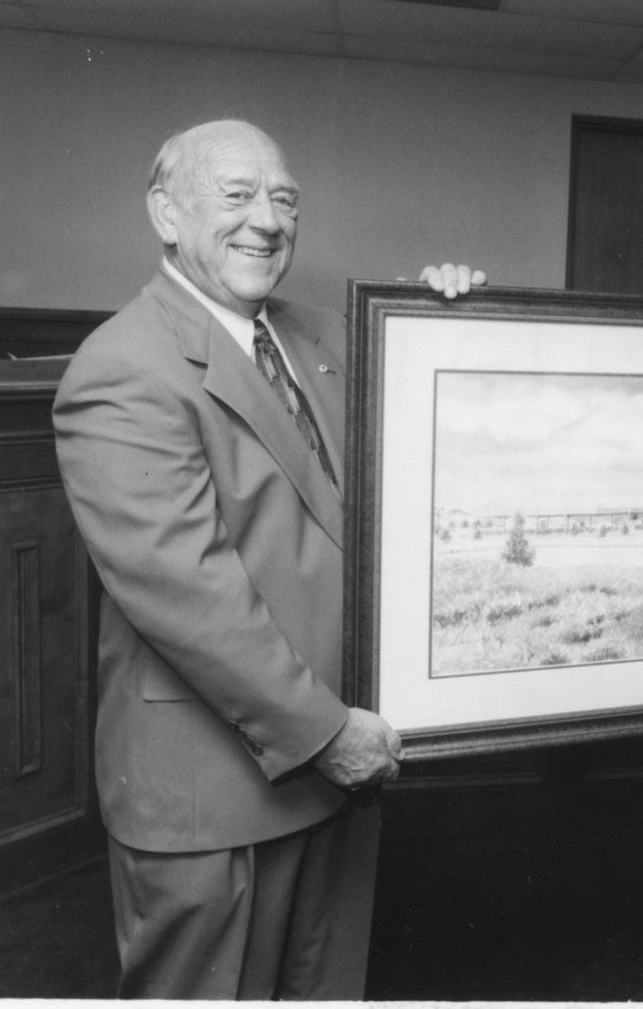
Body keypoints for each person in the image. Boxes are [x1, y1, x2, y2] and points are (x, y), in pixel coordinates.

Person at [52, 118, 484, 1000]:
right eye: (237, 195)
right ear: (165, 214)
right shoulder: (121, 368)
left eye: (284, 199)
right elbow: (191, 596)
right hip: (218, 796)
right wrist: (329, 734)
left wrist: (455, 315)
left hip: (338, 773)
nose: (268, 221)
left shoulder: (326, 338)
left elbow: (450, 424)